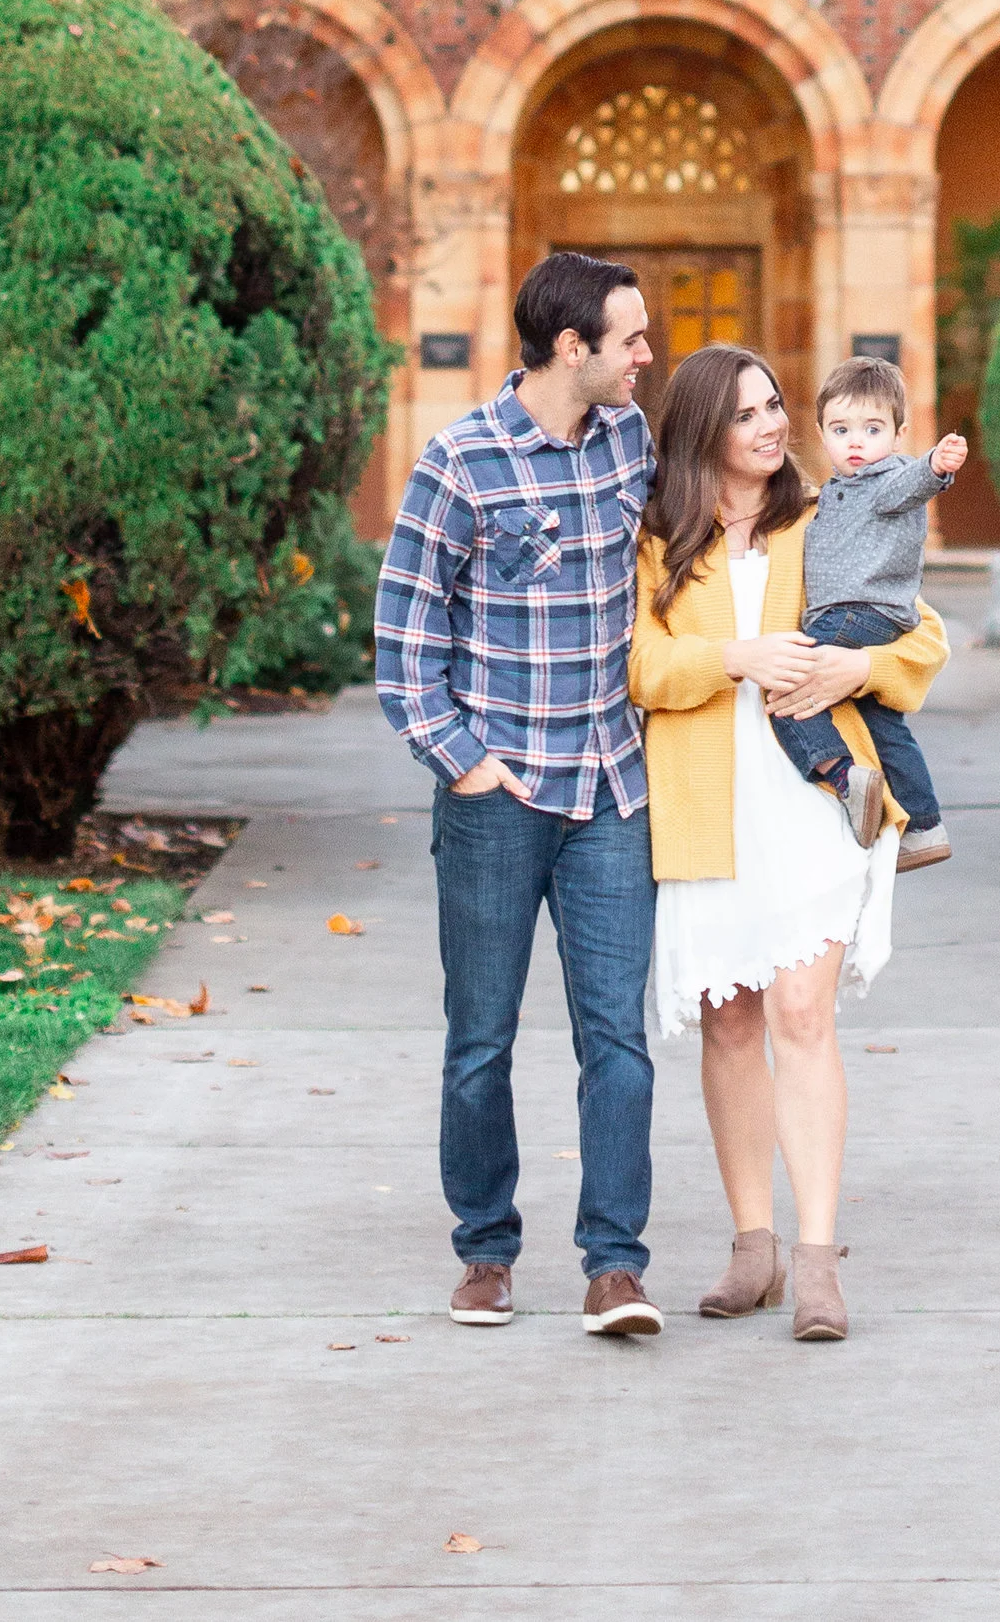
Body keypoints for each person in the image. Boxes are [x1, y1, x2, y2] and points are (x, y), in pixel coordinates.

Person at [629, 341, 946, 1345]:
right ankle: (750, 1245)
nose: (773, 426)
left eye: (776, 407)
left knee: (802, 1015)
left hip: (820, 796)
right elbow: (639, 661)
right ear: (701, 433)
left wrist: (857, 669)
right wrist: (735, 657)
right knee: (729, 1023)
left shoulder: (831, 515)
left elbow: (919, 633)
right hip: (705, 797)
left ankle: (816, 1260)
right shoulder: (658, 537)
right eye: (748, 413)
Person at [373, 249, 663, 1341]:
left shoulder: (632, 438)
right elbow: (404, 641)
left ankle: (614, 1267)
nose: (646, 356)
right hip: (497, 796)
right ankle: (486, 1251)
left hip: (611, 789)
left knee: (617, 1042)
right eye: (629, 339)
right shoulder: (459, 462)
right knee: (481, 1038)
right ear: (570, 346)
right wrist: (463, 762)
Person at [767, 354, 966, 869]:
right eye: (842, 429)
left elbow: (911, 484)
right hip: (867, 617)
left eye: (873, 429)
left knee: (787, 690)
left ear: (899, 435)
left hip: (858, 614)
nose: (857, 442)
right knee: (884, 724)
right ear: (821, 432)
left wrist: (936, 465)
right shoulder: (836, 490)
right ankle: (924, 826)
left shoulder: (886, 479)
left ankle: (842, 776)